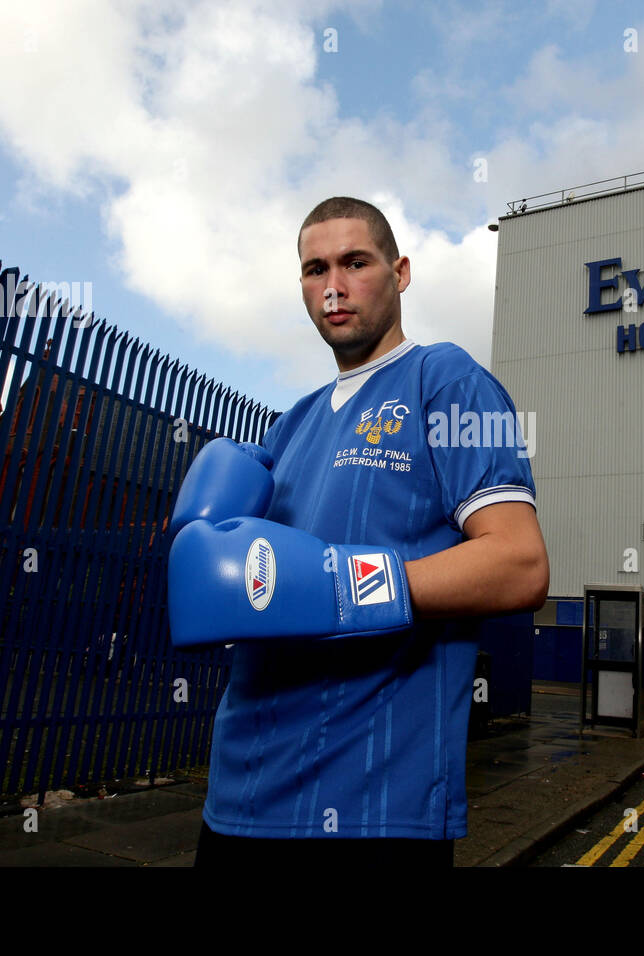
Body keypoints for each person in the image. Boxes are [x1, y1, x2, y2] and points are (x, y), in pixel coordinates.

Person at [174, 196, 548, 868]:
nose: (334, 287)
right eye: (315, 270)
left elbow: (520, 564)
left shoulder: (445, 379)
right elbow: (262, 589)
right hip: (239, 800)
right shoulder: (292, 423)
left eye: (355, 262)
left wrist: (342, 586)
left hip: (372, 813)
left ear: (400, 272)